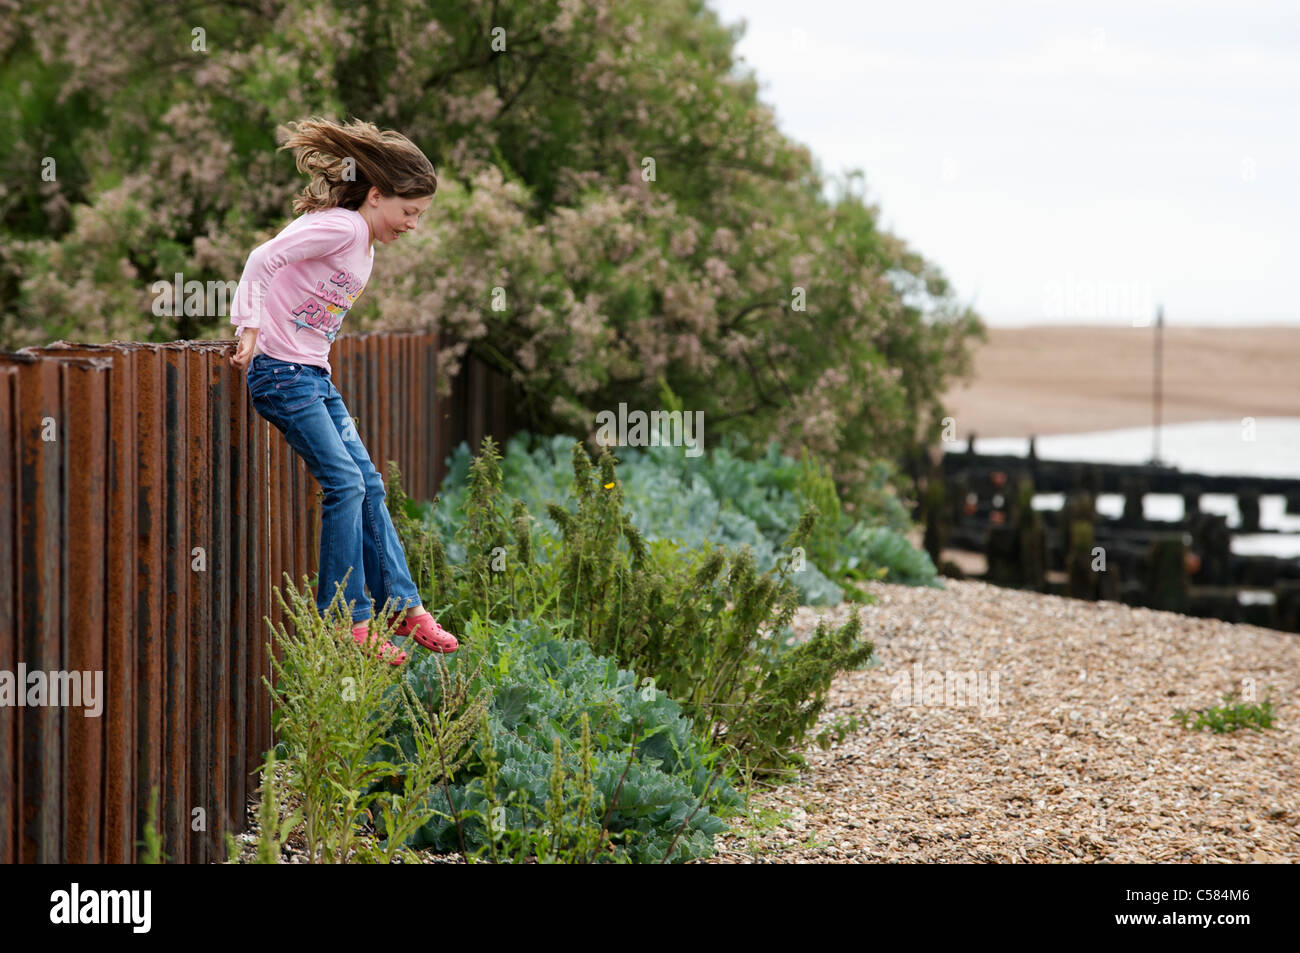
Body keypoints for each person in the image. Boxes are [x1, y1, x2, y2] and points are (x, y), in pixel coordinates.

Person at [228, 116, 456, 665]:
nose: (413, 225)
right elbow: (264, 257)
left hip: (313, 376)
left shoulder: (365, 244)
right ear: (376, 196)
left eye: (420, 216)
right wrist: (250, 325)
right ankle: (345, 617)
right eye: (408, 212)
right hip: (281, 372)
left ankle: (402, 604)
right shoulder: (345, 227)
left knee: (370, 484)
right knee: (345, 483)